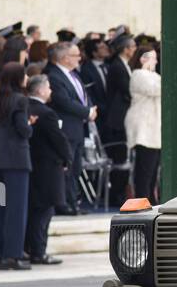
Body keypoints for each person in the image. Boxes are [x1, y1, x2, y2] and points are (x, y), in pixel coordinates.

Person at [0, 62, 33, 270]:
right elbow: (23, 129)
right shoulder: (20, 100)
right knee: (16, 209)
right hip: (15, 161)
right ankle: (12, 255)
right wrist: (31, 124)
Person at [24, 74, 71, 265]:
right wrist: (68, 158)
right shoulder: (47, 113)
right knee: (44, 212)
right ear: (41, 90)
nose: (50, 91)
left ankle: (29, 247)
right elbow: (58, 140)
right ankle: (39, 251)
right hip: (48, 168)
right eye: (49, 88)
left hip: (30, 166)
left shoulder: (24, 107)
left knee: (34, 210)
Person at [47, 40, 96, 214]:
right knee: (65, 168)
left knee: (75, 168)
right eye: (76, 55)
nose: (79, 58)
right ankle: (63, 204)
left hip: (78, 129)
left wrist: (90, 108)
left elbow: (83, 95)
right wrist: (87, 112)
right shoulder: (54, 75)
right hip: (65, 128)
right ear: (65, 58)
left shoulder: (73, 74)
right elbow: (63, 101)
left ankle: (73, 203)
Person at [102, 34, 135, 208]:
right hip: (117, 120)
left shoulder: (125, 65)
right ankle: (118, 194)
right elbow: (127, 90)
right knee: (119, 161)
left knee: (124, 159)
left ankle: (122, 192)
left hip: (124, 117)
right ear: (126, 49)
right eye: (133, 46)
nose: (135, 50)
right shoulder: (117, 67)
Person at [125, 47, 162, 203]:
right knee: (145, 169)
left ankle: (151, 200)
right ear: (142, 59)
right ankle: (142, 199)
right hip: (144, 127)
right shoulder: (138, 74)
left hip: (154, 126)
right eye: (153, 58)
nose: (156, 61)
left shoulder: (155, 75)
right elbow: (156, 89)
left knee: (153, 170)